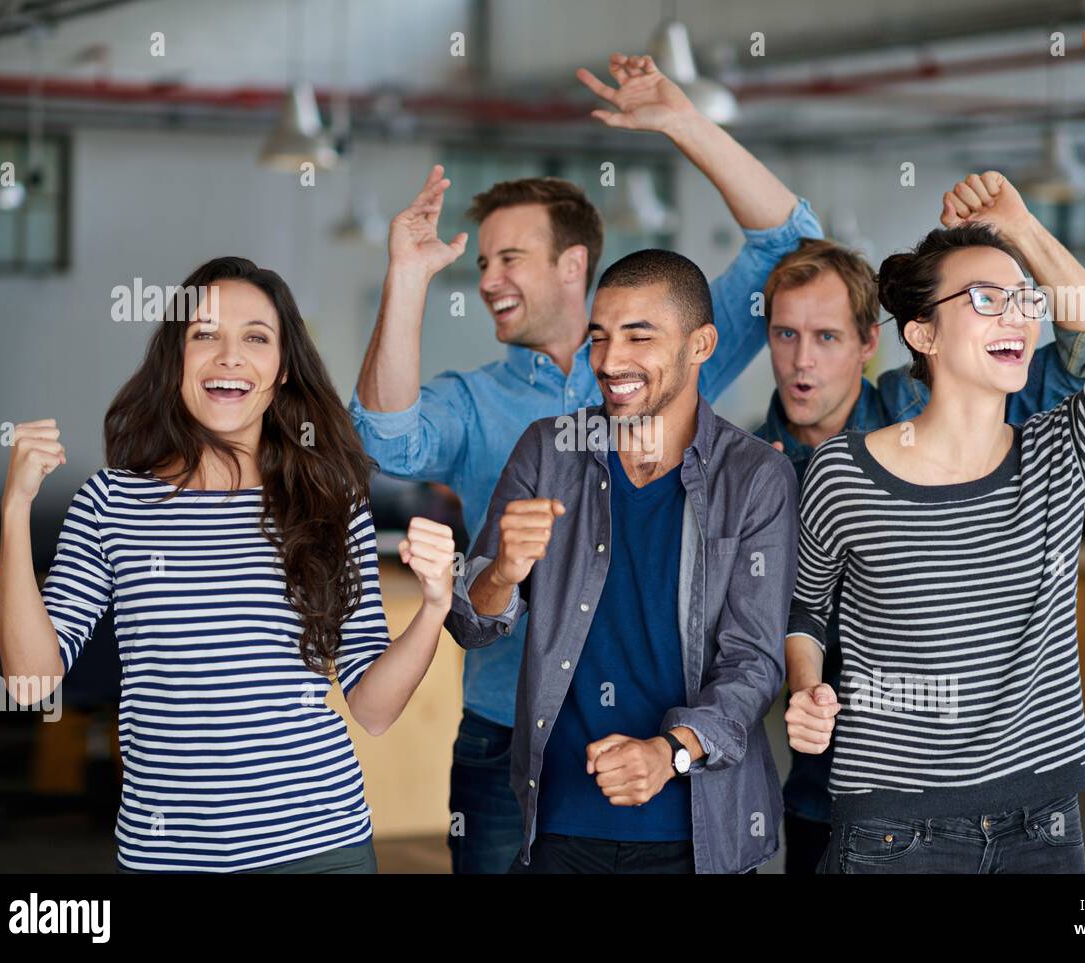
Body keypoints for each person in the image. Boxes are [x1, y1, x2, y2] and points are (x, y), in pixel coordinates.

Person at [350, 53, 820, 873]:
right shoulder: (485, 405)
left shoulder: (675, 339)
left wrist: (683, 122)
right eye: (480, 261)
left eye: (507, 257)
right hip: (512, 738)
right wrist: (408, 275)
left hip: (678, 758)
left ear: (574, 265)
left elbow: (791, 243)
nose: (486, 275)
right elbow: (384, 439)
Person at [785, 26, 1085, 874]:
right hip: (890, 831)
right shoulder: (843, 472)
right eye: (985, 298)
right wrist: (805, 685)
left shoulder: (1058, 454)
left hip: (1043, 825)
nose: (1017, 313)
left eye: (1021, 299)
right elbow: (808, 610)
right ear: (921, 332)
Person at [0, 256, 455, 873]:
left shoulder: (330, 501)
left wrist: (433, 607)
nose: (229, 356)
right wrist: (15, 507)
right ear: (176, 360)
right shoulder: (113, 501)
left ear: (283, 368)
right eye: (204, 335)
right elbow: (31, 681)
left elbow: (372, 709)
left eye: (255, 338)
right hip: (167, 857)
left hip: (319, 848)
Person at [756, 175, 1085, 874]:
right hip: (836, 790)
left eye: (826, 336)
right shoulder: (759, 460)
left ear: (872, 342)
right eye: (786, 334)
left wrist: (1018, 231)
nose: (803, 359)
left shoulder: (936, 400)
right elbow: (798, 609)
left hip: (1001, 793)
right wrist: (801, 684)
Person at [445, 249, 798, 874]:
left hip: (697, 827)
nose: (609, 362)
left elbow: (754, 662)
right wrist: (502, 572)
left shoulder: (755, 476)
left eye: (639, 336)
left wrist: (669, 755)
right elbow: (472, 625)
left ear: (701, 344)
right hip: (557, 819)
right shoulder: (548, 450)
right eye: (599, 337)